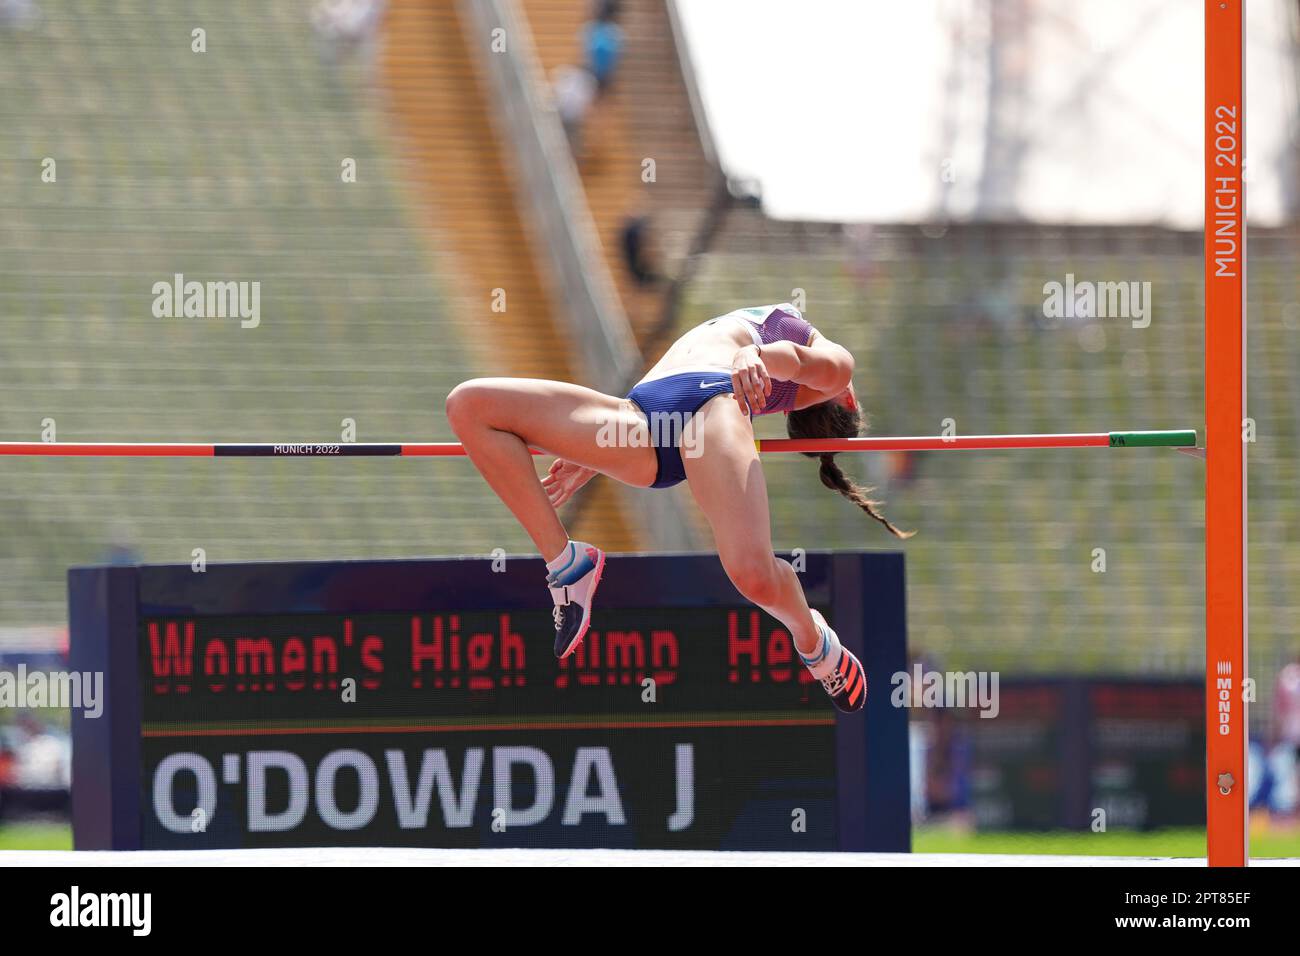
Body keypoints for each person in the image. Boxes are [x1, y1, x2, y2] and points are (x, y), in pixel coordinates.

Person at [446, 304, 911, 712]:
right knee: (470, 406)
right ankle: (567, 564)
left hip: (713, 406)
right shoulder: (795, 341)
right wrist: (595, 456)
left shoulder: (829, 376)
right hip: (641, 417)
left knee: (751, 572)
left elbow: (796, 362)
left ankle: (815, 643)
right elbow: (794, 359)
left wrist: (756, 357)